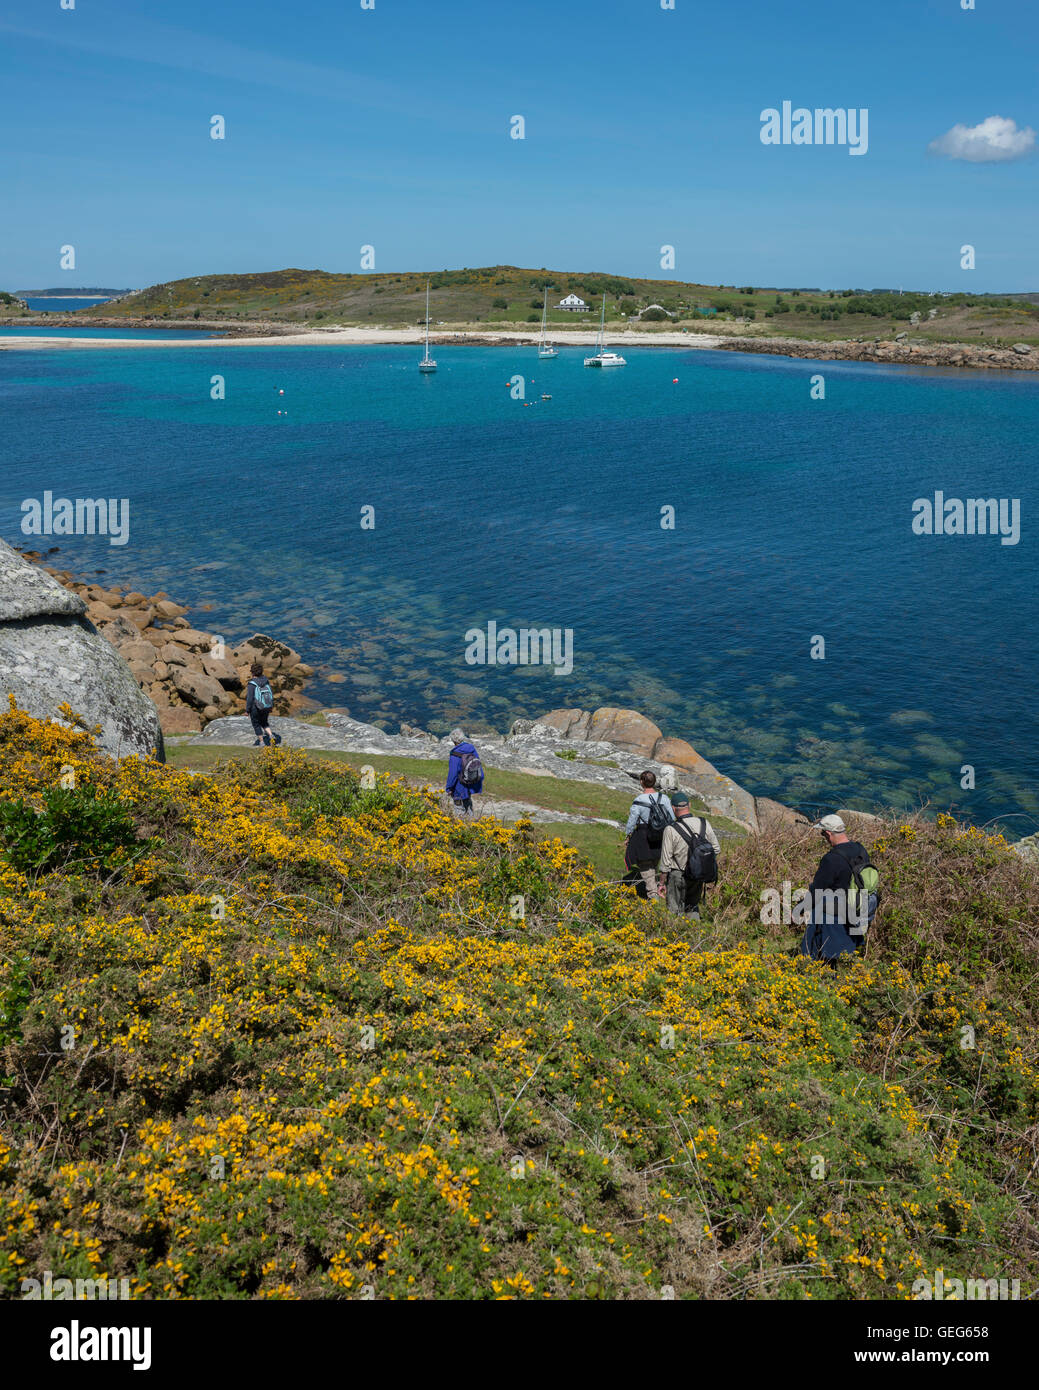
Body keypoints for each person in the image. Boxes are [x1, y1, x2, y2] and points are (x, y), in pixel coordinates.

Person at [799, 814, 877, 961]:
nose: (823, 837)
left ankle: (809, 963)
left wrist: (800, 909)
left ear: (828, 834)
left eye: (823, 833)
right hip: (859, 905)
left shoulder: (831, 859)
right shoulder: (860, 849)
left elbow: (817, 890)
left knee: (818, 942)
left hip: (837, 911)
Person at [657, 792, 720, 918]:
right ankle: (694, 934)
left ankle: (674, 934)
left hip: (678, 874)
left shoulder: (670, 829)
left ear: (673, 808)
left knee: (674, 910)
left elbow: (665, 862)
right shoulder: (704, 823)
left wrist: (662, 883)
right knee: (692, 906)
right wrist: (699, 863)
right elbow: (716, 849)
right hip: (698, 874)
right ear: (689, 805)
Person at [623, 771, 674, 900]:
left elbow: (632, 821)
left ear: (641, 782)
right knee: (655, 860)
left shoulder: (639, 800)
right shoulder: (664, 798)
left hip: (643, 834)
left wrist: (628, 835)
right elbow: (672, 818)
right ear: (654, 782)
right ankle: (657, 887)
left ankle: (652, 894)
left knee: (645, 863)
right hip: (661, 834)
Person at [446, 728, 484, 812]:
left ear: (453, 741)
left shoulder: (455, 754)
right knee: (468, 804)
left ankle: (462, 824)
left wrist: (449, 788)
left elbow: (453, 774)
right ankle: (472, 822)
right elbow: (477, 764)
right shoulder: (471, 748)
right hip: (470, 783)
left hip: (459, 786)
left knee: (458, 808)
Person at [245, 662, 281, 747]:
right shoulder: (266, 680)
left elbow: (249, 699)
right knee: (264, 722)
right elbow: (270, 693)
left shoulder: (252, 684)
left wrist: (247, 710)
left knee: (256, 724)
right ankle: (270, 734)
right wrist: (271, 706)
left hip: (256, 707)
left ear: (252, 672)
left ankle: (261, 742)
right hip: (266, 705)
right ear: (261, 672)